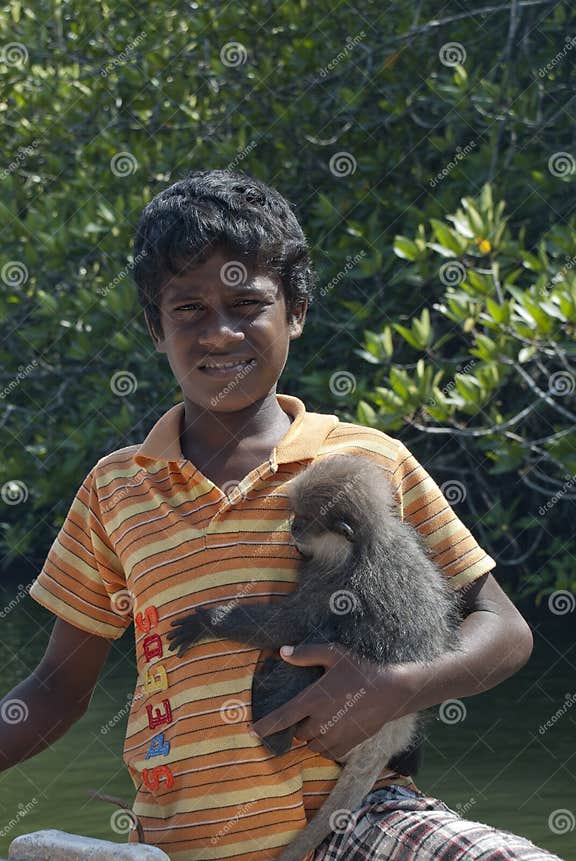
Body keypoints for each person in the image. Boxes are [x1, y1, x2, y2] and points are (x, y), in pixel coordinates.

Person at [0, 170, 564, 861]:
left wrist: (398, 687)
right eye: (189, 309)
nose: (221, 332)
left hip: (358, 814)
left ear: (294, 310)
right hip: (183, 841)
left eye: (247, 303)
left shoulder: (368, 462)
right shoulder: (118, 486)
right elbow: (56, 688)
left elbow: (504, 627)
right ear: (155, 325)